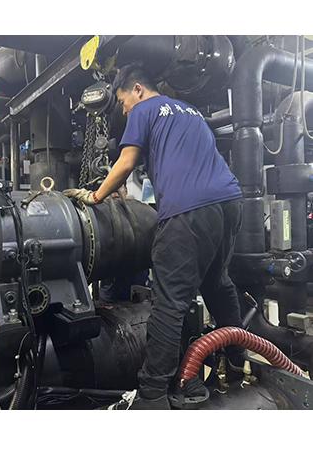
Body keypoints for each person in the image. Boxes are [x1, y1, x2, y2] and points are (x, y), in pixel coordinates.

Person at [63, 63, 244, 410]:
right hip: (229, 203)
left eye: (123, 102)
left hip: (188, 209)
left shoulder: (144, 110)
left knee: (168, 303)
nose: (124, 110)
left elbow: (126, 162)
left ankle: (152, 396)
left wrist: (95, 195)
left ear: (138, 90)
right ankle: (237, 360)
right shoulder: (189, 111)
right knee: (217, 283)